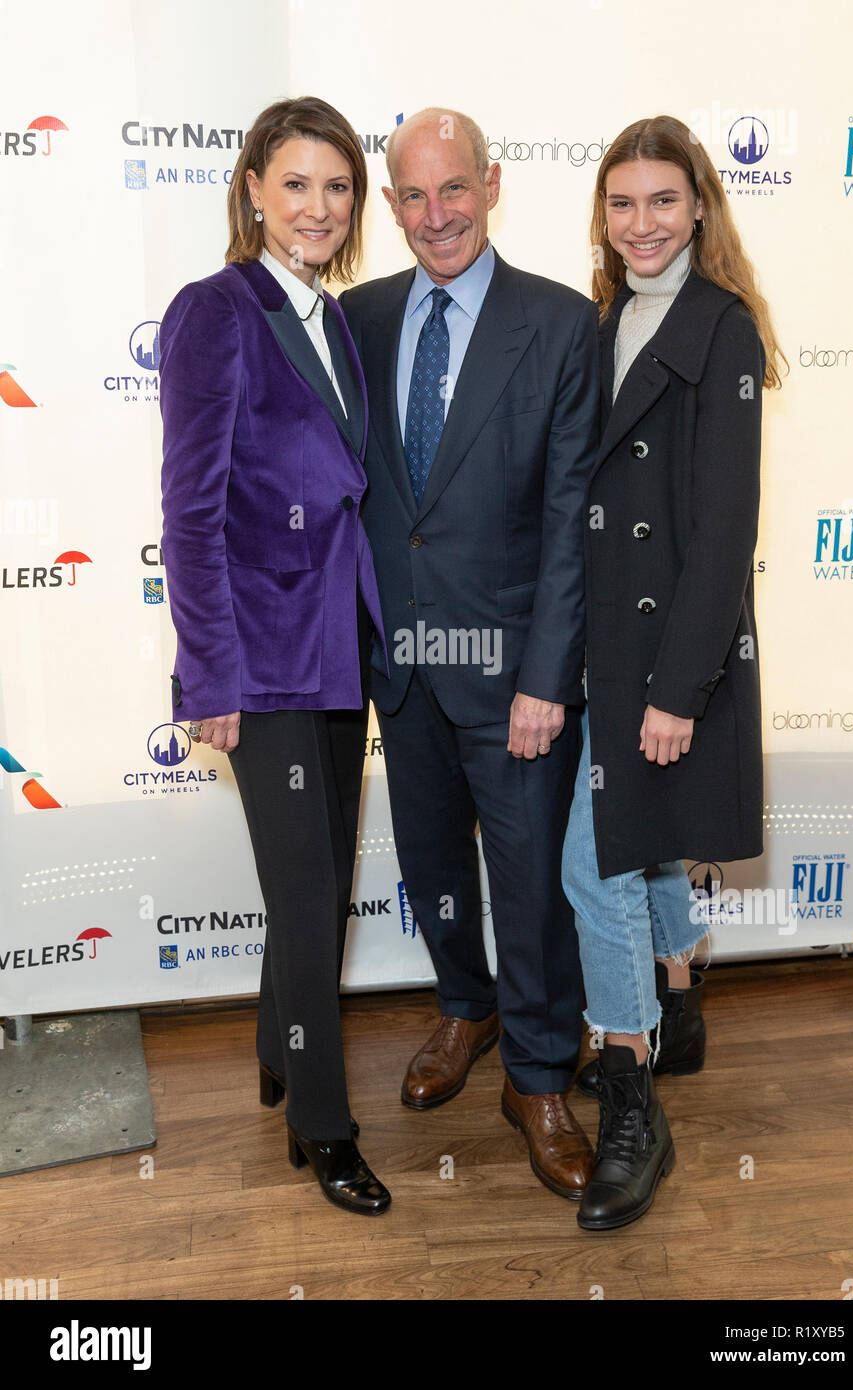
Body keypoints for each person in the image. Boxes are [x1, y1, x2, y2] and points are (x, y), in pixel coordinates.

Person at [340, 108, 601, 1201]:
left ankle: (538, 1071)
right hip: (400, 662)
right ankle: (466, 1007)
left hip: (514, 676)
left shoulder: (559, 322)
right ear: (389, 203)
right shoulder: (356, 317)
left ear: (492, 185)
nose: (435, 214)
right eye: (412, 194)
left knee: (530, 883)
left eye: (454, 189)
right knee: (434, 866)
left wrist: (548, 673)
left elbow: (571, 513)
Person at [158, 96, 391, 1217]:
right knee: (307, 901)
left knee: (319, 887)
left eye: (337, 186)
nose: (317, 206)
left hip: (338, 649)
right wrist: (209, 675)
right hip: (260, 661)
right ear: (252, 188)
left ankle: (273, 1048)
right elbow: (190, 513)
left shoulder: (331, 320)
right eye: (295, 183)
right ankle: (324, 1125)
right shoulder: (217, 312)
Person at [561, 114, 786, 1230]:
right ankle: (680, 988)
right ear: (600, 216)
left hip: (661, 657)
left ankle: (629, 1096)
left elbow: (722, 527)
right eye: (621, 203)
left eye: (661, 201)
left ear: (700, 204)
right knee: (631, 843)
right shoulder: (604, 317)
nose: (640, 223)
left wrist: (673, 690)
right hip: (598, 642)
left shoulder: (721, 327)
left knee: (590, 865)